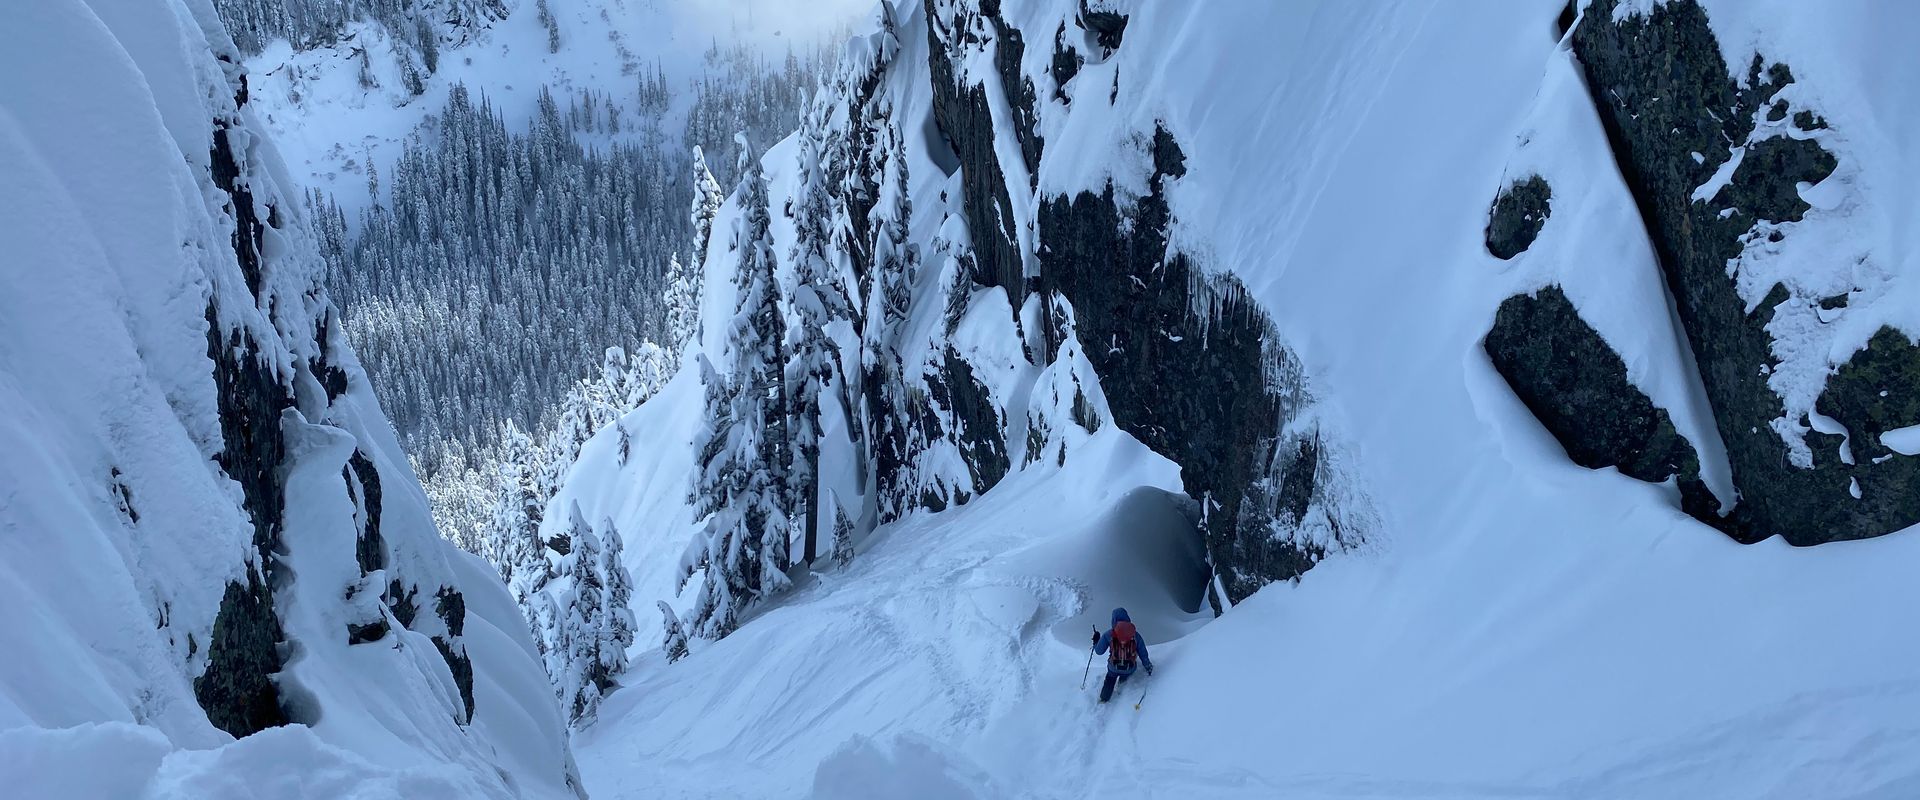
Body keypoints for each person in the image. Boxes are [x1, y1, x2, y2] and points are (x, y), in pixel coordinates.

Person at [1091, 607, 1152, 703]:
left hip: (1113, 667)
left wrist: (1095, 641)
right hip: (1129, 668)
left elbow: (1099, 651)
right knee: (1125, 674)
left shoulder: (1109, 634)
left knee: (1110, 679)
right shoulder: (1135, 635)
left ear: (1113, 620)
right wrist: (1148, 667)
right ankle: (1122, 684)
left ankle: (1104, 699)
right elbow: (1143, 653)